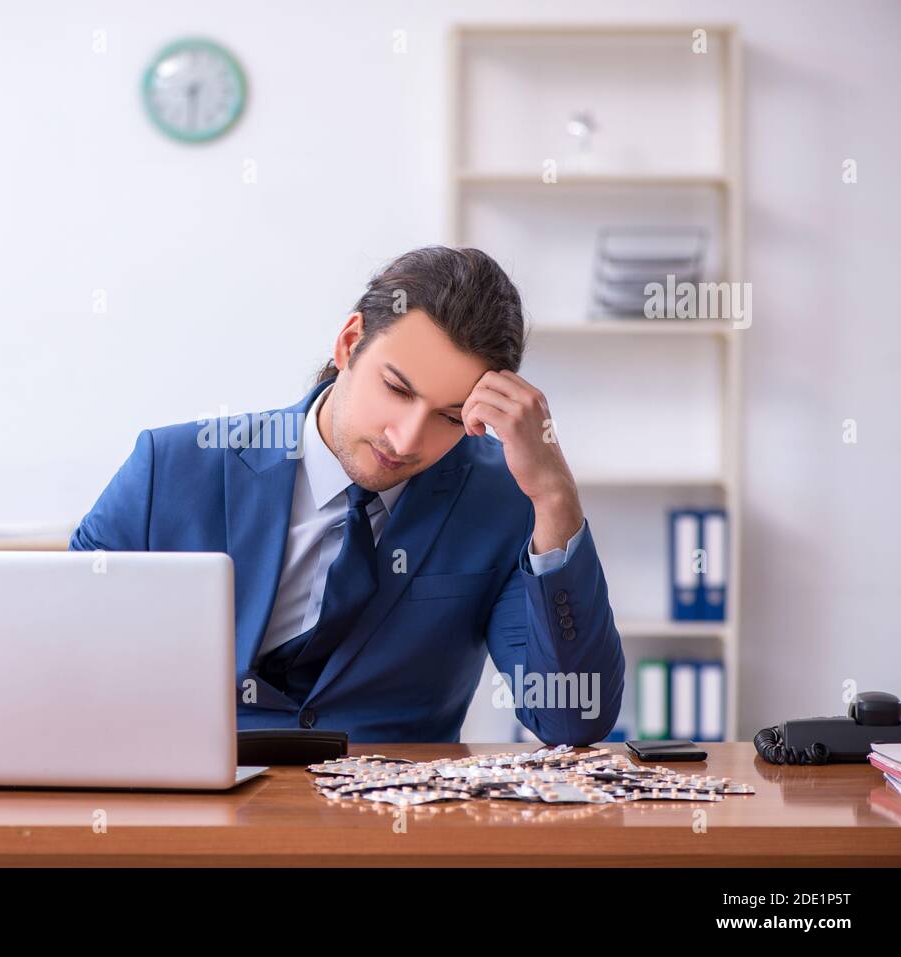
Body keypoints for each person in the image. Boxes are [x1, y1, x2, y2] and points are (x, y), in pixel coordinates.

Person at [69, 246, 624, 744]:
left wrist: (555, 498)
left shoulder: (501, 503)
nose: (405, 440)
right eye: (397, 389)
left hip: (391, 831)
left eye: (449, 417)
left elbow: (572, 719)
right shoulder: (169, 470)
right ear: (349, 342)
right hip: (193, 817)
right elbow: (63, 661)